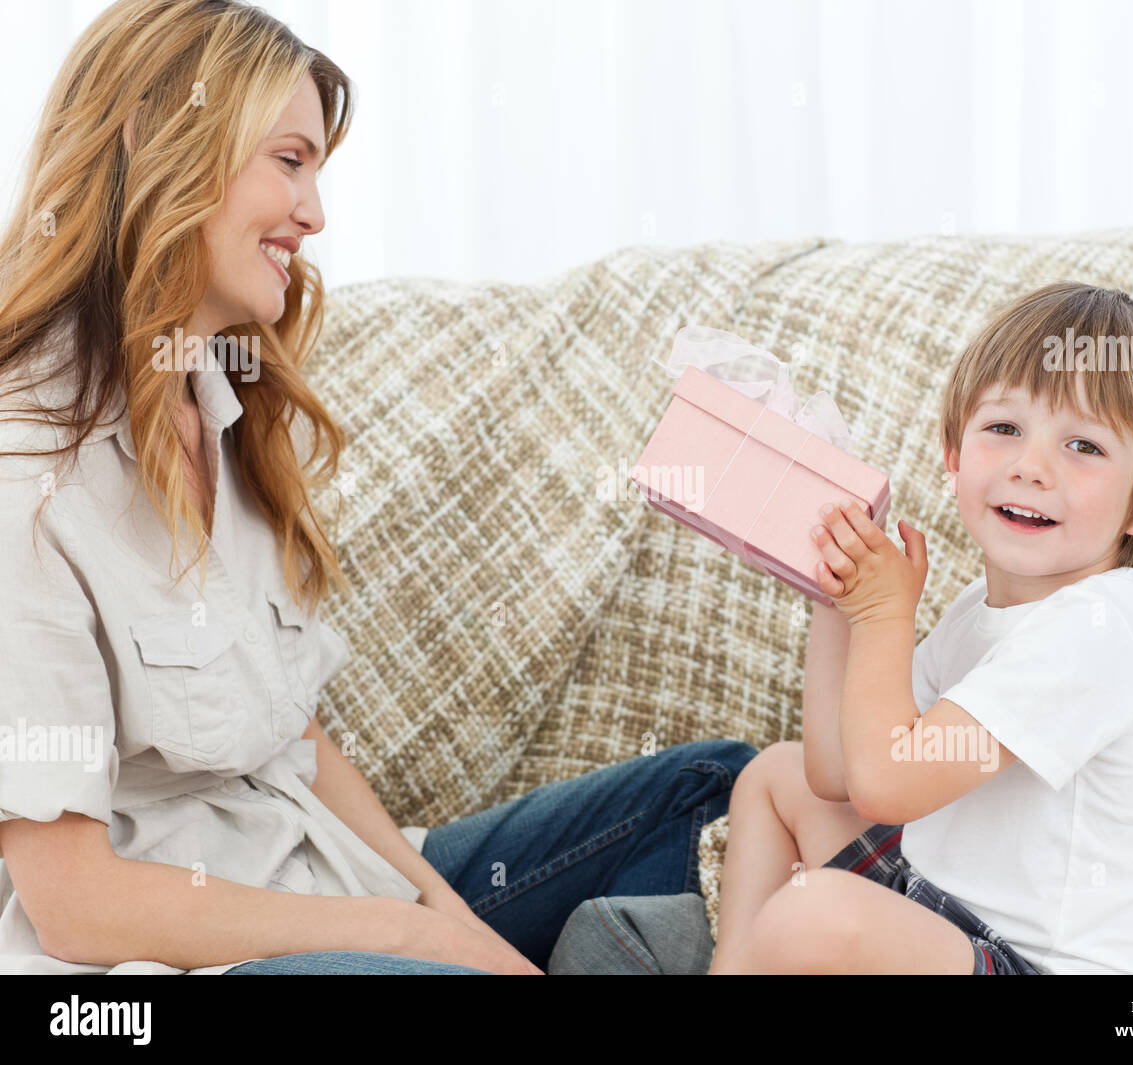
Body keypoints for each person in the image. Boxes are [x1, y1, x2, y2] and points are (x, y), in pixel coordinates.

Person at [0, 0, 755, 976]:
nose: (314, 213)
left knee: (716, 790)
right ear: (157, 142)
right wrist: (405, 936)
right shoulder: (28, 472)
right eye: (289, 160)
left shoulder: (223, 401)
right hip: (194, 958)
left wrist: (454, 922)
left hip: (322, 876)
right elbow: (77, 906)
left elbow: (297, 739)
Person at [707, 282, 1133, 974]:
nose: (1031, 467)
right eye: (1004, 429)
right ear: (954, 455)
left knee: (813, 912)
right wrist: (839, 593)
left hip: (1040, 965)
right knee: (775, 777)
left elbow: (886, 786)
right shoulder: (980, 608)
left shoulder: (1102, 629)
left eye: (1083, 445)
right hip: (948, 915)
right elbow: (839, 771)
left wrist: (884, 616)